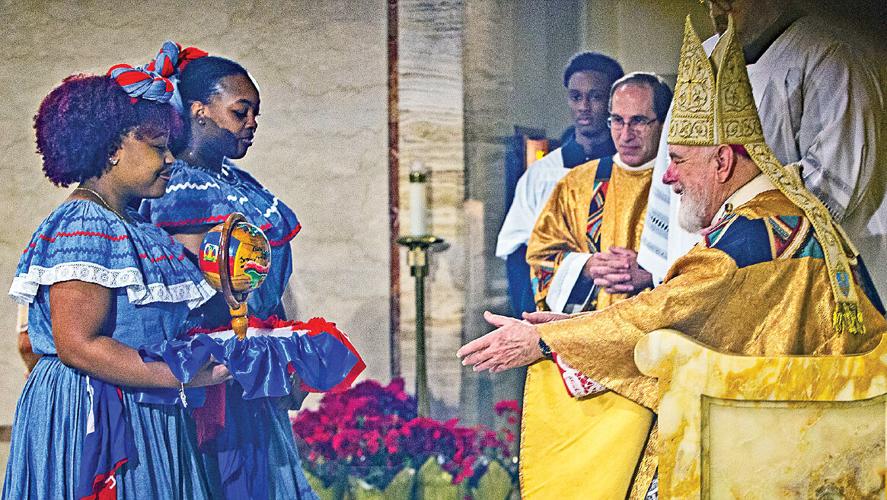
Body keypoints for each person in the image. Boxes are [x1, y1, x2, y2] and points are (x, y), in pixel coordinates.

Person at [458, 17, 886, 498]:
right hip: (831, 438)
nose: (667, 177)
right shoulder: (788, 210)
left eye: (679, 159)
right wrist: (573, 323)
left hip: (784, 451)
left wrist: (549, 340)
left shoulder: (749, 234)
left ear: (723, 161)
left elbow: (668, 314)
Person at [5, 70, 229, 499]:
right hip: (98, 414)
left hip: (141, 403)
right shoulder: (86, 225)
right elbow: (77, 344)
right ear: (110, 149)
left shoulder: (132, 225)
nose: (171, 160)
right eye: (158, 147)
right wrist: (179, 375)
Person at [138, 44, 315, 499]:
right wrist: (254, 349)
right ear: (199, 111)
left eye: (255, 113)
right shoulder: (183, 185)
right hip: (219, 369)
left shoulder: (234, 181)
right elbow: (201, 289)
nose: (252, 124)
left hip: (250, 356)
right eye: (241, 112)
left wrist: (281, 348)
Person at [635, 0, 887, 299]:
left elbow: (834, 183)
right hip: (703, 261)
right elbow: (674, 161)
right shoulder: (703, 55)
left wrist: (732, 227)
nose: (716, 9)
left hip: (784, 275)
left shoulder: (829, 54)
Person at [519, 72, 672, 498]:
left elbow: (710, 267)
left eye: (640, 121)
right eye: (617, 120)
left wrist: (650, 274)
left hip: (656, 352)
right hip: (590, 353)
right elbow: (540, 261)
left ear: (663, 122)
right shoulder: (578, 184)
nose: (626, 133)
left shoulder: (681, 187)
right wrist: (585, 268)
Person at [496, 52, 624, 315]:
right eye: (576, 96)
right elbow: (519, 253)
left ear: (613, 101)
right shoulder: (542, 175)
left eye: (595, 96)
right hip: (554, 307)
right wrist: (530, 312)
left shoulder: (630, 169)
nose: (583, 106)